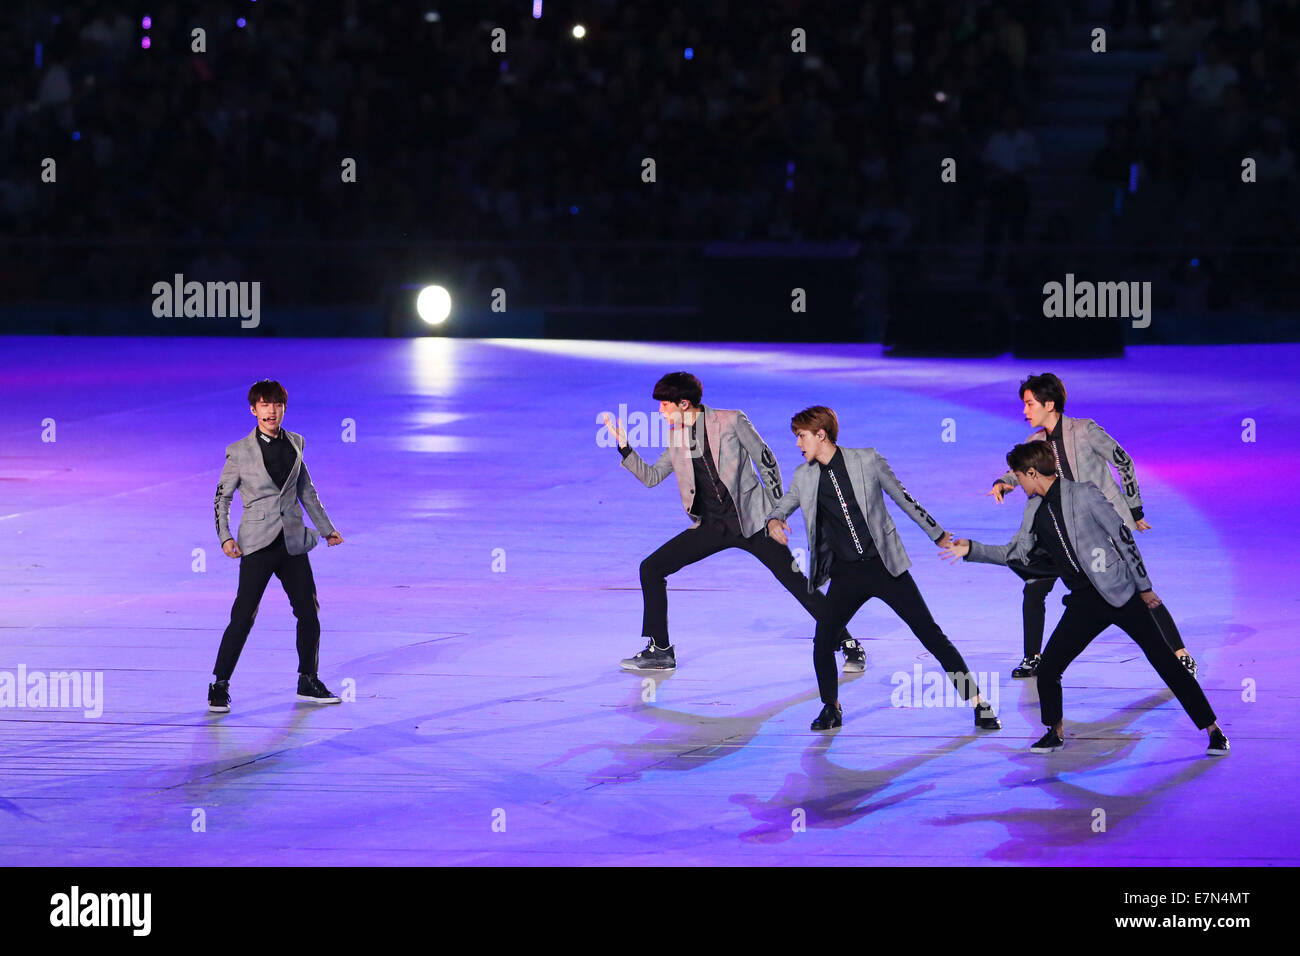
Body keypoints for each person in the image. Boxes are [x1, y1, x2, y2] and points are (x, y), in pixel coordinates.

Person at [946, 441, 1228, 756]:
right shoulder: (1034, 510)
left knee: (1165, 660)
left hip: (1121, 593)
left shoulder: (1084, 494)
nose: (1017, 483)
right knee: (1050, 667)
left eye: (1018, 476)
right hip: (1083, 602)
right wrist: (971, 549)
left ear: (1032, 472)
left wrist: (1144, 586)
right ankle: (1054, 732)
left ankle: (1214, 730)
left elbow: (1123, 539)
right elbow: (1017, 554)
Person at [604, 373, 865, 673]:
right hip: (712, 526)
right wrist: (625, 448)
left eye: (665, 405)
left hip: (752, 522)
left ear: (684, 403)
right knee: (651, 568)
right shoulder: (675, 436)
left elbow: (766, 461)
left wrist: (777, 514)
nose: (661, 412)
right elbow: (651, 478)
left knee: (796, 583)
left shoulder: (731, 421)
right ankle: (660, 650)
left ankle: (848, 643)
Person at [765, 406, 1001, 732]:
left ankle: (979, 703)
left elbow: (904, 498)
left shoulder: (867, 460)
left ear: (821, 435)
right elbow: (783, 505)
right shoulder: (804, 476)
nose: (798, 444)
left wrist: (936, 533)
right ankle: (830, 708)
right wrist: (775, 520)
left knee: (930, 634)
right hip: (846, 575)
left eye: (801, 436)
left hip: (885, 567)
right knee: (823, 640)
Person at [987, 372, 1197, 680]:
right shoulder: (1035, 442)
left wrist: (1133, 507)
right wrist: (1003, 483)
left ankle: (1179, 653)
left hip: (1099, 527)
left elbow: (1123, 460)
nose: (1025, 411)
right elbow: (1019, 470)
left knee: (1138, 590)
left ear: (1050, 403)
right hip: (1061, 530)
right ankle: (1033, 656)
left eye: (1030, 404)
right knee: (1035, 587)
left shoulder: (1084, 430)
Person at [210, 379, 344, 713]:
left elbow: (306, 491)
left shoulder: (296, 442)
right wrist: (225, 536)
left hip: (293, 542)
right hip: (257, 544)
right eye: (264, 405)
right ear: (254, 409)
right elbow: (221, 498)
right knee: (243, 615)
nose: (271, 411)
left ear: (283, 408)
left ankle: (308, 680)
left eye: (277, 404)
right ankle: (219, 684)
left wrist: (327, 529)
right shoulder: (239, 451)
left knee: (309, 612)